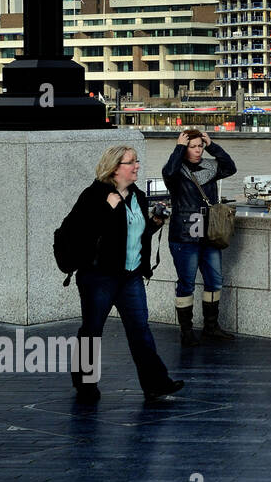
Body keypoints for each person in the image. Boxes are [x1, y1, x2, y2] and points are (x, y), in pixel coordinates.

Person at [67, 144, 184, 404]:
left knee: (140, 329)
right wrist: (105, 209)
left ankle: (155, 383)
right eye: (131, 162)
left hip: (130, 276)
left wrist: (154, 224)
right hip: (99, 277)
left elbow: (136, 236)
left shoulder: (138, 196)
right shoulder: (94, 195)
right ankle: (85, 384)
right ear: (115, 167)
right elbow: (80, 232)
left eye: (137, 161)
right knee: (92, 329)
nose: (137, 166)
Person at [162, 128, 237, 346]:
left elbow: (230, 167)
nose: (197, 150)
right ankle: (186, 331)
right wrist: (178, 147)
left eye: (200, 146)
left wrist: (212, 145)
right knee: (186, 284)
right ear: (184, 148)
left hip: (209, 232)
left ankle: (211, 328)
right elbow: (168, 172)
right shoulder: (176, 172)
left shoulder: (211, 168)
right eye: (192, 147)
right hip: (184, 235)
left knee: (215, 281)